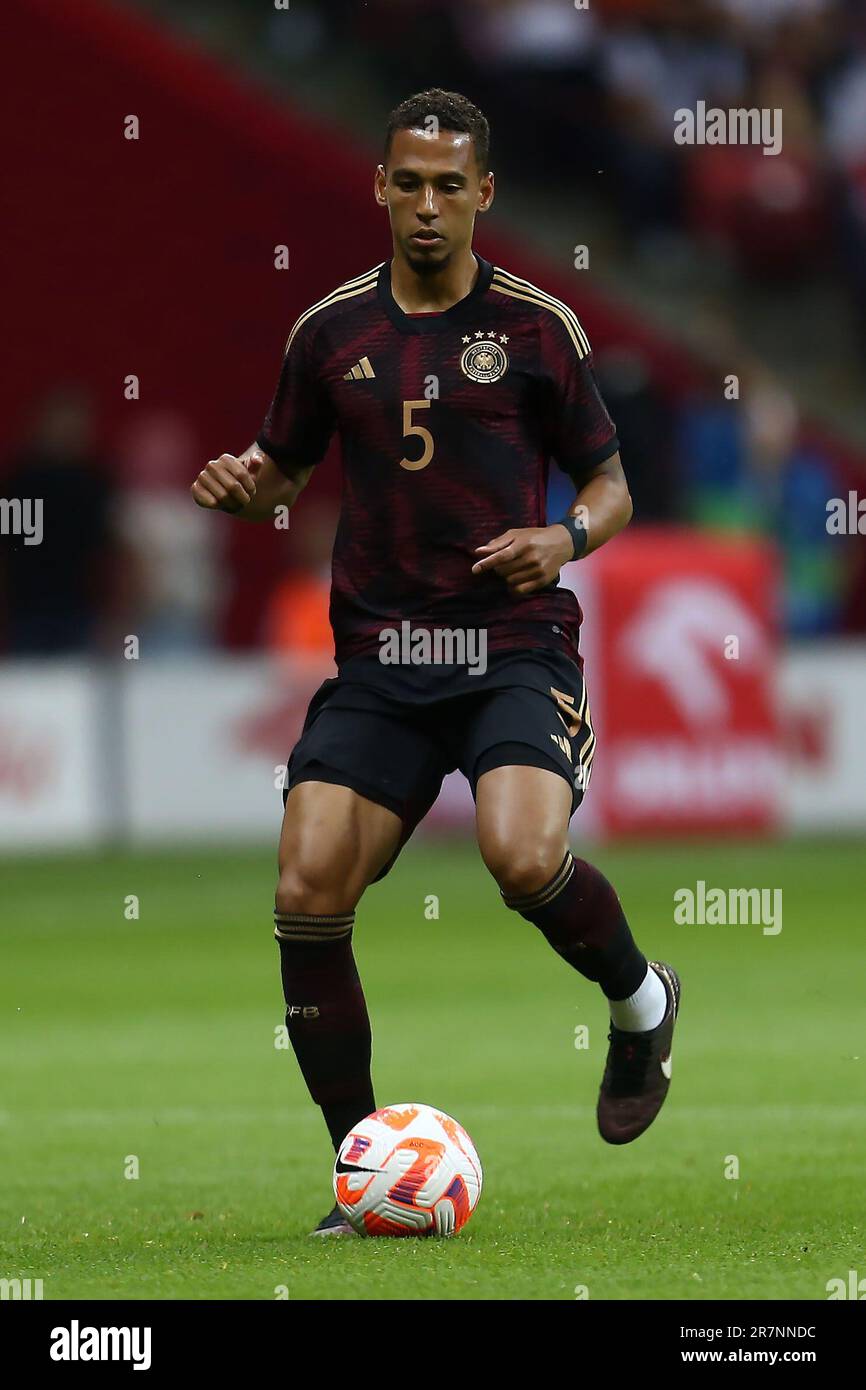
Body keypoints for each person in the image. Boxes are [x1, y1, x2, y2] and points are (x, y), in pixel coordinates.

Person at [191, 89, 681, 1235]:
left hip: (509, 645)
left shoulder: (536, 329)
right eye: (407, 183)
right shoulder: (328, 333)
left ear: (482, 194)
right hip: (382, 660)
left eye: (448, 186)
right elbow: (280, 472)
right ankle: (359, 1173)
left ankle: (641, 1003)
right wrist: (244, 488)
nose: (425, 205)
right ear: (379, 186)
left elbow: (611, 485)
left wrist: (563, 537)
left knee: (521, 855)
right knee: (306, 885)